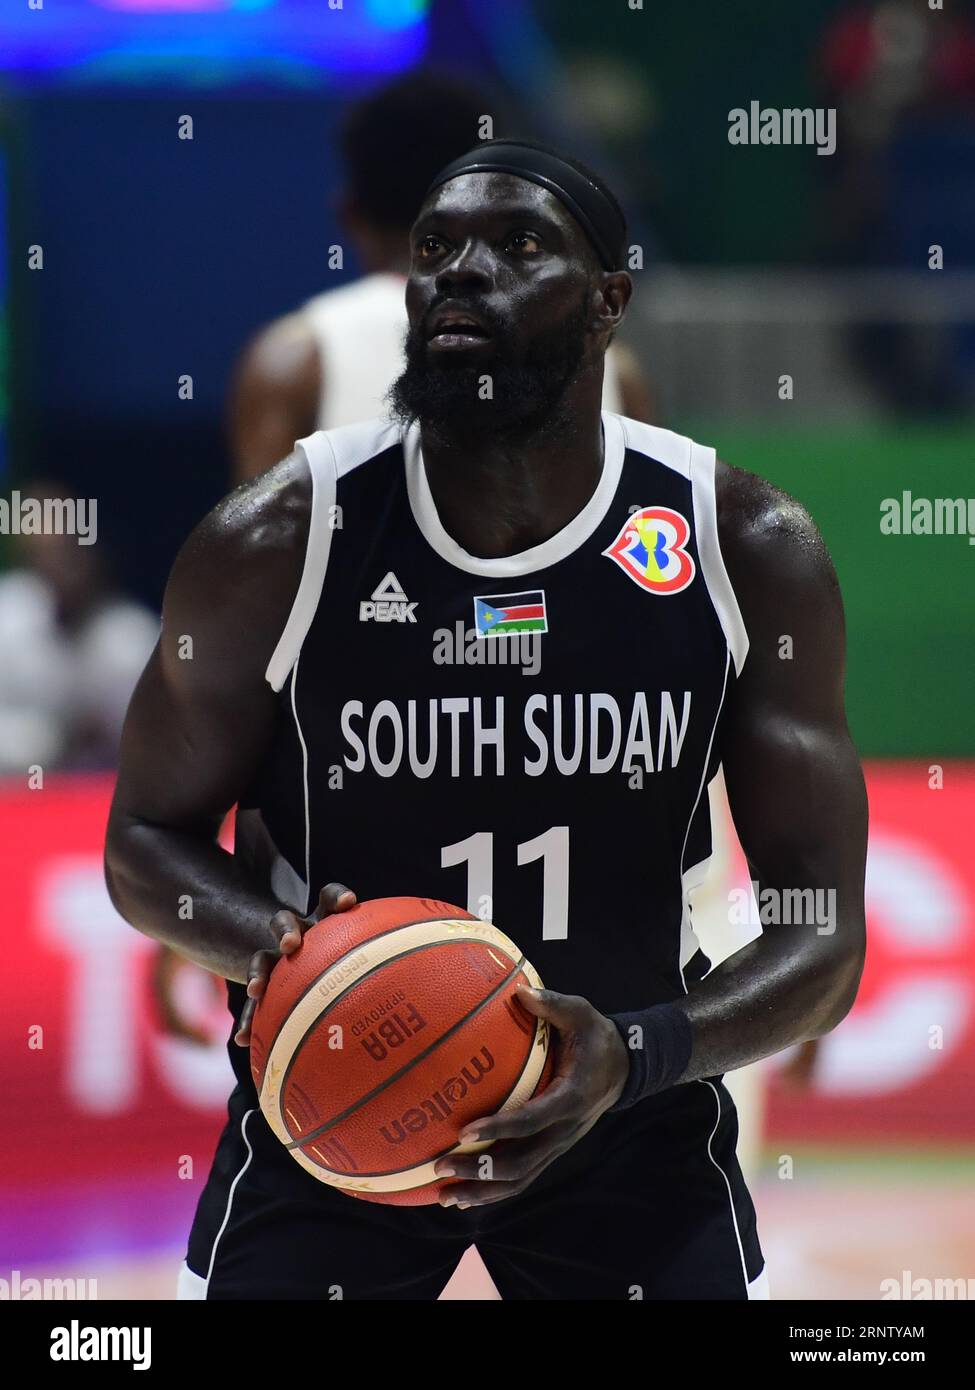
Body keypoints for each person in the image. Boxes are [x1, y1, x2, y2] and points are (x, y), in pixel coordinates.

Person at [105, 139, 867, 1300]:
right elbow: (141, 841)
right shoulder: (278, 538)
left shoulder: (743, 545)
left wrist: (638, 1053)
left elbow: (824, 931)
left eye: (516, 246)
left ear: (610, 299)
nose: (460, 270)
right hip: (343, 1101)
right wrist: (270, 943)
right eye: (434, 248)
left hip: (625, 1110)